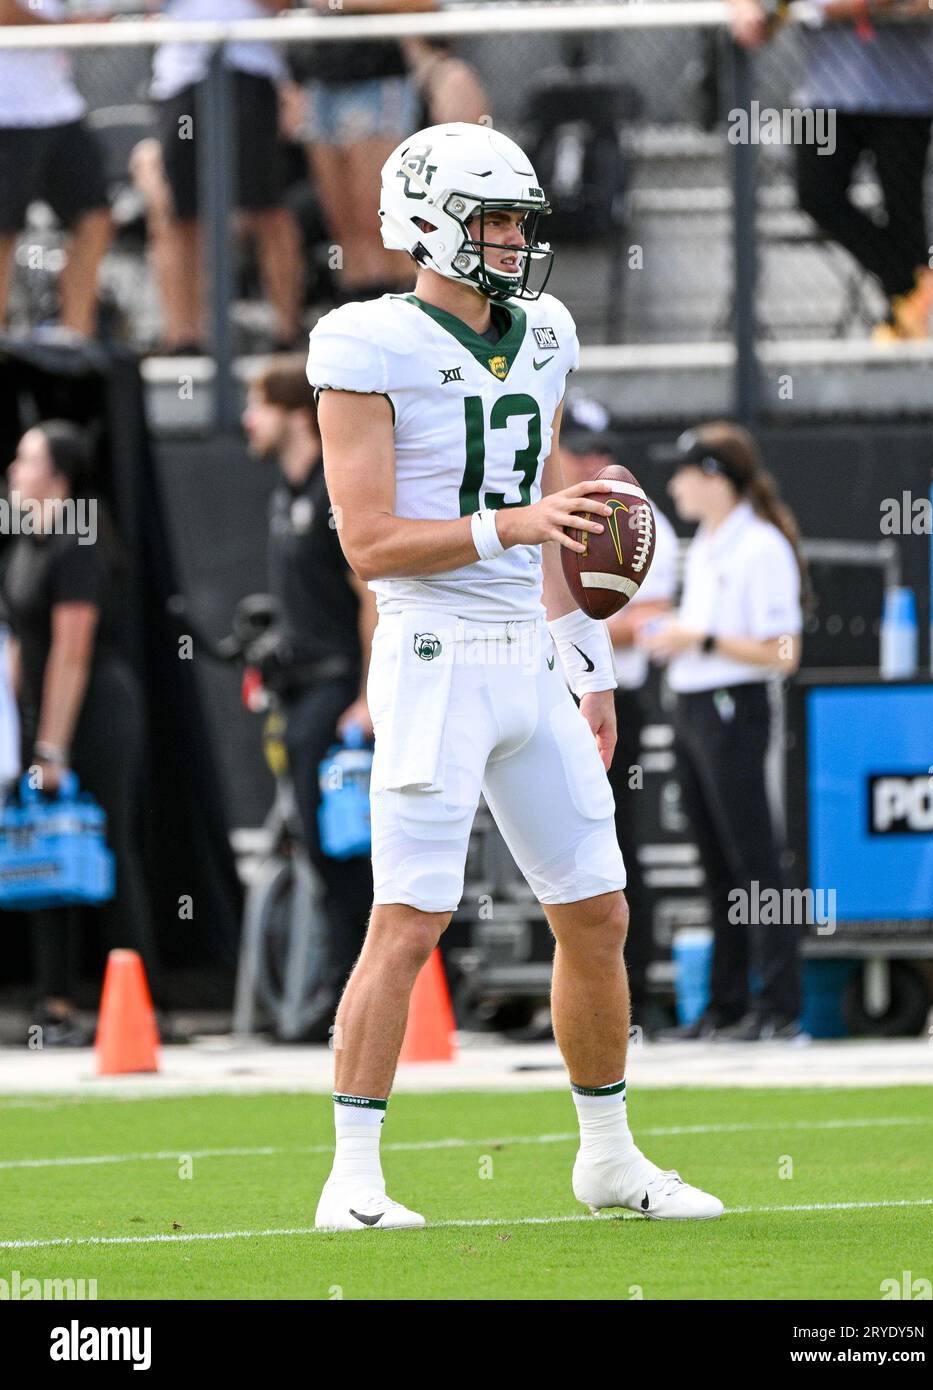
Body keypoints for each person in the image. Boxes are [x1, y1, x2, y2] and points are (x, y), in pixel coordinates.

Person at [305, 121, 723, 1230]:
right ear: (428, 224)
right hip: (434, 652)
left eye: (516, 222)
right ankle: (352, 1181)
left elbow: (561, 533)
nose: (511, 242)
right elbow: (371, 544)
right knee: (410, 915)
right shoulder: (366, 342)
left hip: (528, 658)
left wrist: (592, 666)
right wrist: (517, 524)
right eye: (490, 220)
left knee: (598, 912)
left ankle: (609, 1159)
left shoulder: (544, 336)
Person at [643, 423, 805, 1042]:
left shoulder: (760, 546)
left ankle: (779, 1005)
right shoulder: (706, 543)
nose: (674, 486)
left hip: (732, 705)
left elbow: (784, 649)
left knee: (754, 859)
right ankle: (726, 1004)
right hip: (691, 705)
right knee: (714, 865)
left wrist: (699, 639)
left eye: (684, 473)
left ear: (714, 477)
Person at [1, 421, 159, 1044]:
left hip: (96, 719)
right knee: (42, 852)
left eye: (26, 459)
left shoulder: (80, 541)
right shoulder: (23, 544)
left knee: (110, 845)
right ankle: (55, 1003)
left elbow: (73, 652)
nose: (14, 470)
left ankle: (138, 1003)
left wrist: (53, 746)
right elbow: (20, 644)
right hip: (44, 723)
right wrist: (21, 734)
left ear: (58, 475)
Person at [242, 359, 377, 1035]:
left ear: (296, 415)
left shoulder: (332, 490)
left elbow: (370, 595)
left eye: (257, 405)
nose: (246, 419)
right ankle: (344, 986)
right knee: (318, 852)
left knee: (343, 847)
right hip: (301, 690)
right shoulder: (284, 491)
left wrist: (367, 695)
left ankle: (363, 992)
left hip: (336, 692)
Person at [558, 395, 680, 1032]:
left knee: (615, 851)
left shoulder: (637, 517)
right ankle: (578, 1005)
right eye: (581, 448)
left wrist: (569, 622)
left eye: (602, 448)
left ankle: (635, 1001)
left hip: (610, 699)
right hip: (558, 694)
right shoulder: (549, 509)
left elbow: (647, 619)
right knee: (560, 856)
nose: (594, 460)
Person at [729, 0, 933, 340]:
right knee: (815, 193)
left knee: (904, 211)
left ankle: (906, 326)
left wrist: (823, 7)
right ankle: (910, 283)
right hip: (825, 94)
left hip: (905, 94)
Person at [150, 0, 304, 352]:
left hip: (250, 70)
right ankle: (185, 338)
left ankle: (286, 334)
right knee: (179, 212)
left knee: (267, 208)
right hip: (180, 77)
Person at [296, 0, 437, 301]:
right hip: (320, 82)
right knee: (340, 221)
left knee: (377, 216)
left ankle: (406, 317)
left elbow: (424, 4)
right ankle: (361, 316)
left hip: (376, 80)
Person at [0, 0, 113, 339]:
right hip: (6, 113)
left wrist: (86, 24)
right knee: (3, 232)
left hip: (59, 110)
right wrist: (69, 28)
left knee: (95, 215)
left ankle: (75, 341)